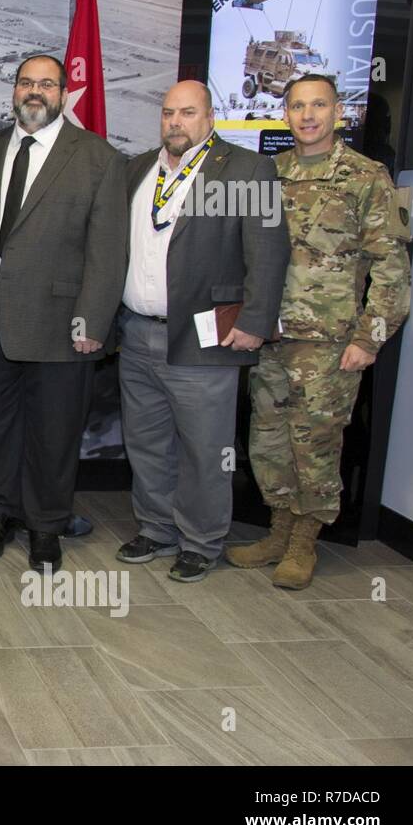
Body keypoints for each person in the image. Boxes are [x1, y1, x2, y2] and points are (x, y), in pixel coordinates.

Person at [228, 74, 412, 589]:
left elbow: (391, 268)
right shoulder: (270, 173)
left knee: (315, 447)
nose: (307, 115)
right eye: (297, 106)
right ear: (284, 114)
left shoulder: (364, 176)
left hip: (328, 346)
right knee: (267, 443)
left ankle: (304, 542)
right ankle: (277, 532)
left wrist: (368, 339)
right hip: (269, 337)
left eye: (318, 105)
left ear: (338, 112)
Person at [113, 81, 289, 582]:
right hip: (138, 332)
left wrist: (255, 322)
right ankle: (155, 528)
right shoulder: (139, 168)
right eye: (168, 112)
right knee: (146, 442)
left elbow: (269, 252)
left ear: (210, 117)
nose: (176, 122)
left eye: (188, 113)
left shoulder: (245, 169)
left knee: (205, 448)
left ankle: (201, 540)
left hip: (205, 336)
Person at [0, 54, 127, 573]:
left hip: (64, 325)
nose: (35, 92)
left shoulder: (98, 158)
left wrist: (93, 322)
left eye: (46, 85)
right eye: (26, 83)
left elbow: (108, 251)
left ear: (63, 93)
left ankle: (46, 527)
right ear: (13, 90)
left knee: (54, 432)